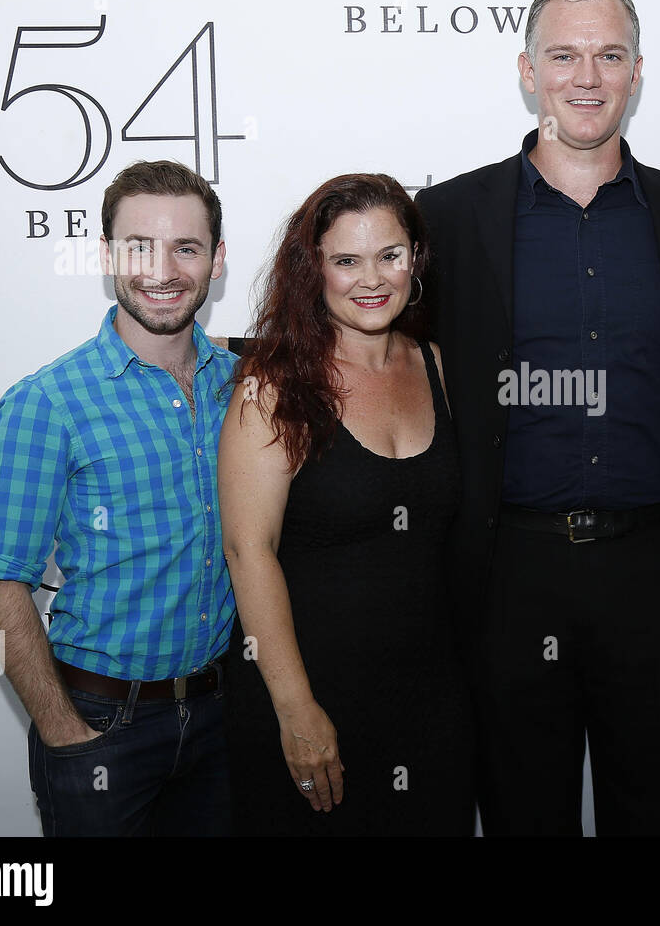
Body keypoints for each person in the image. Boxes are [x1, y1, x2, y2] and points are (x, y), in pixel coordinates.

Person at [414, 0, 660, 835]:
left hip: (656, 576)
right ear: (527, 71)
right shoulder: (443, 219)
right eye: (564, 55)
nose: (586, 77)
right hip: (508, 575)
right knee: (521, 816)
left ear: (637, 73)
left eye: (609, 55)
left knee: (658, 814)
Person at [0, 160, 237, 836]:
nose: (163, 269)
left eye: (187, 247)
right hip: (101, 724)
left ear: (217, 259)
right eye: (140, 246)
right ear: (107, 255)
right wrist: (65, 733)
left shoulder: (246, 386)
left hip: (225, 717)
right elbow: (1, 584)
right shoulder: (46, 403)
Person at [218, 173, 473, 835]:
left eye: (390, 254)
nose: (372, 278)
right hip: (310, 700)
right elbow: (249, 552)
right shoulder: (273, 388)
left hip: (431, 701)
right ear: (314, 269)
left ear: (416, 259)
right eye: (346, 260)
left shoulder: (440, 367)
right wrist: (296, 711)